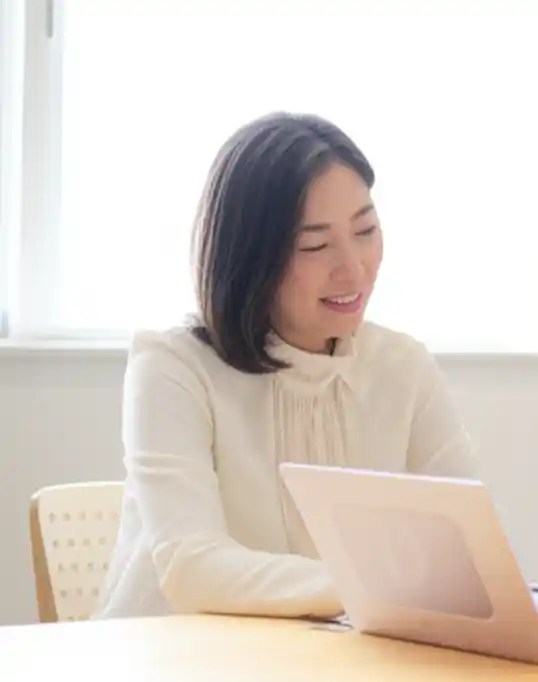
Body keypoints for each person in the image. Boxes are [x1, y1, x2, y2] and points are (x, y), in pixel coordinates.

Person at [95, 112, 476, 619]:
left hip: (328, 669)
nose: (354, 267)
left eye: (366, 230)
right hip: (180, 668)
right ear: (251, 257)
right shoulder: (174, 366)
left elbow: (468, 550)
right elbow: (192, 567)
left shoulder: (403, 366)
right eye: (315, 245)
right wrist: (384, 586)